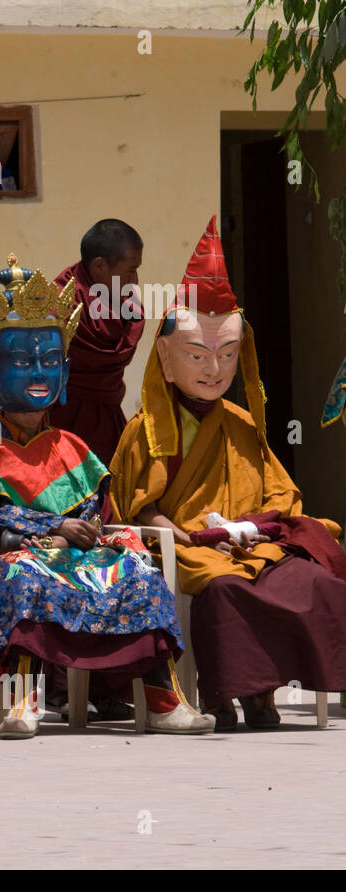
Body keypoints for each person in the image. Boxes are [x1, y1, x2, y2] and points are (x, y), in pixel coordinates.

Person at [0, 254, 213, 739]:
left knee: (139, 570)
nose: (38, 372)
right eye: (21, 361)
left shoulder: (74, 447)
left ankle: (161, 697)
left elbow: (93, 510)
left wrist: (76, 533)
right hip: (16, 556)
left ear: (65, 372)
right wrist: (51, 529)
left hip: (80, 555)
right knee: (23, 575)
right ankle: (22, 699)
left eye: (49, 360)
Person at [111, 217, 346, 730]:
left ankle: (266, 693)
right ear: (167, 362)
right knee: (224, 589)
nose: (214, 369)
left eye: (227, 354)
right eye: (197, 354)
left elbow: (280, 492)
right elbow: (137, 511)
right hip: (185, 548)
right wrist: (197, 538)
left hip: (246, 543)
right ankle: (227, 695)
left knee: (308, 577)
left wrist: (251, 528)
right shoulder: (146, 431)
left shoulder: (239, 423)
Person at [49, 219, 145, 465]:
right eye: (130, 270)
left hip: (107, 418)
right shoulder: (60, 306)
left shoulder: (126, 305)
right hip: (58, 421)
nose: (135, 279)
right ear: (100, 266)